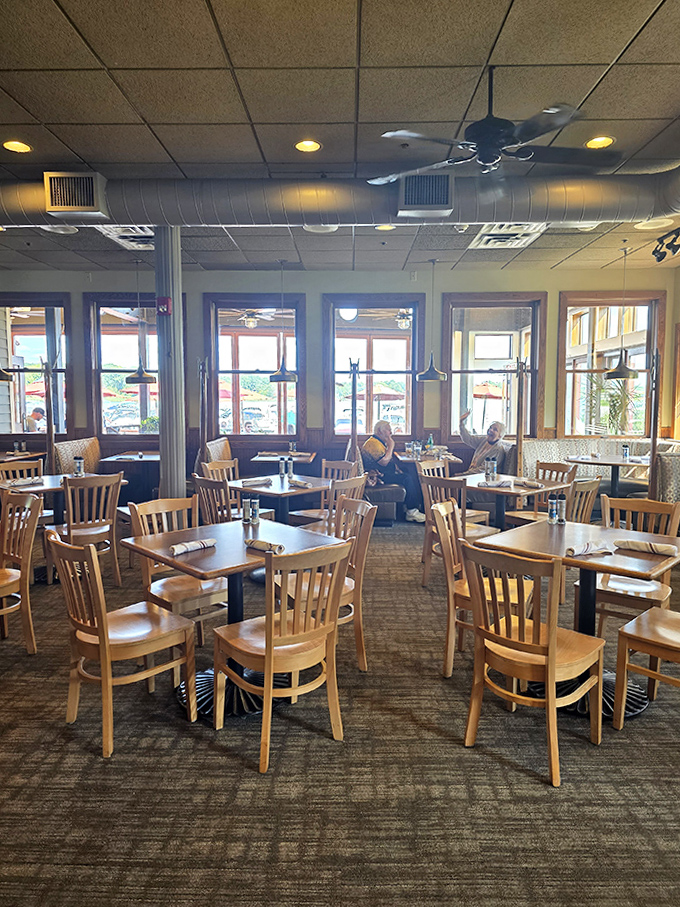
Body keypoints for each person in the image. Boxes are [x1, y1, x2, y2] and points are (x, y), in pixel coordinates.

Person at [361, 420, 426, 522]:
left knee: (408, 471)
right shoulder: (372, 443)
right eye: (388, 430)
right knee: (407, 478)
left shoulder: (378, 442)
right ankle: (412, 512)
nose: (391, 433)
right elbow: (384, 462)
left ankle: (413, 507)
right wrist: (391, 445)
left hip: (383, 473)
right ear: (379, 431)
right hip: (378, 476)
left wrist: (397, 468)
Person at [458, 410, 507, 474]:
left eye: (495, 430)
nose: (491, 430)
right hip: (471, 474)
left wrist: (463, 475)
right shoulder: (484, 440)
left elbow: (484, 470)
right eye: (490, 427)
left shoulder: (497, 449)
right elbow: (468, 439)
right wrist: (461, 423)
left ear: (500, 436)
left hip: (484, 479)